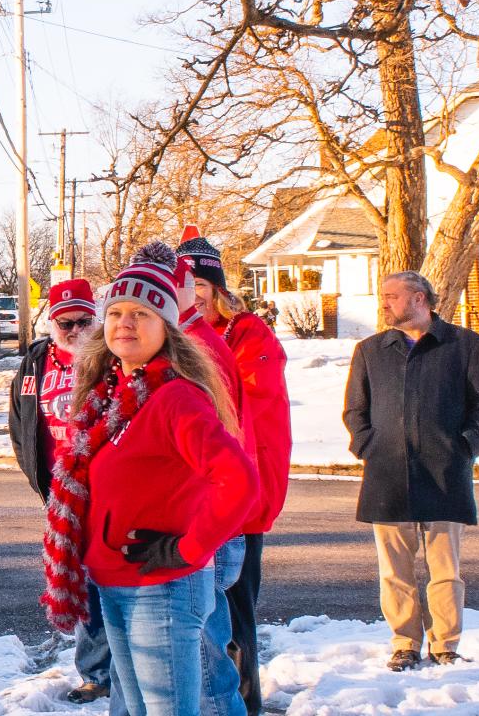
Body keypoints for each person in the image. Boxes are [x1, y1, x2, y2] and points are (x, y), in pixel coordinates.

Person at [42, 260, 256, 716]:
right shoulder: (111, 397)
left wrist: (188, 548)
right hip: (114, 580)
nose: (126, 323)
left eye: (142, 313)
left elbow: (240, 482)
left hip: (161, 586)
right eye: (117, 312)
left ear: (167, 327)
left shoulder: (175, 398)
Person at [343, 270, 479, 671]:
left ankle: (445, 643)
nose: (384, 304)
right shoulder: (371, 350)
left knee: (445, 569)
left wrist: (465, 446)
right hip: (387, 474)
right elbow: (354, 409)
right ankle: (405, 642)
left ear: (419, 299)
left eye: (391, 296)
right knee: (394, 571)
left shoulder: (465, 346)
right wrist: (368, 445)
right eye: (383, 297)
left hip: (445, 471)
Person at [136, 240, 258, 716]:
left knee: (204, 663)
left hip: (194, 529)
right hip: (164, 529)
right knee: (170, 664)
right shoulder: (156, 351)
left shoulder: (194, 346)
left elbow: (231, 465)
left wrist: (190, 543)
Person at [182, 228, 294, 716]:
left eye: (199, 289)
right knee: (200, 608)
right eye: (183, 289)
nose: (192, 298)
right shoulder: (181, 335)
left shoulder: (250, 337)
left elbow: (246, 412)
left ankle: (246, 698)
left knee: (235, 603)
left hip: (240, 495)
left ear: (217, 290)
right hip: (197, 495)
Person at [10, 277, 111, 704]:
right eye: (64, 322)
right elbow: (20, 420)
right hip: (58, 492)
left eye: (82, 321)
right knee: (77, 582)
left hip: (105, 490)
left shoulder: (109, 361)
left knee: (107, 580)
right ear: (51, 323)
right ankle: (95, 671)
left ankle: (112, 668)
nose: (73, 330)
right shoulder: (35, 363)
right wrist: (39, 479)